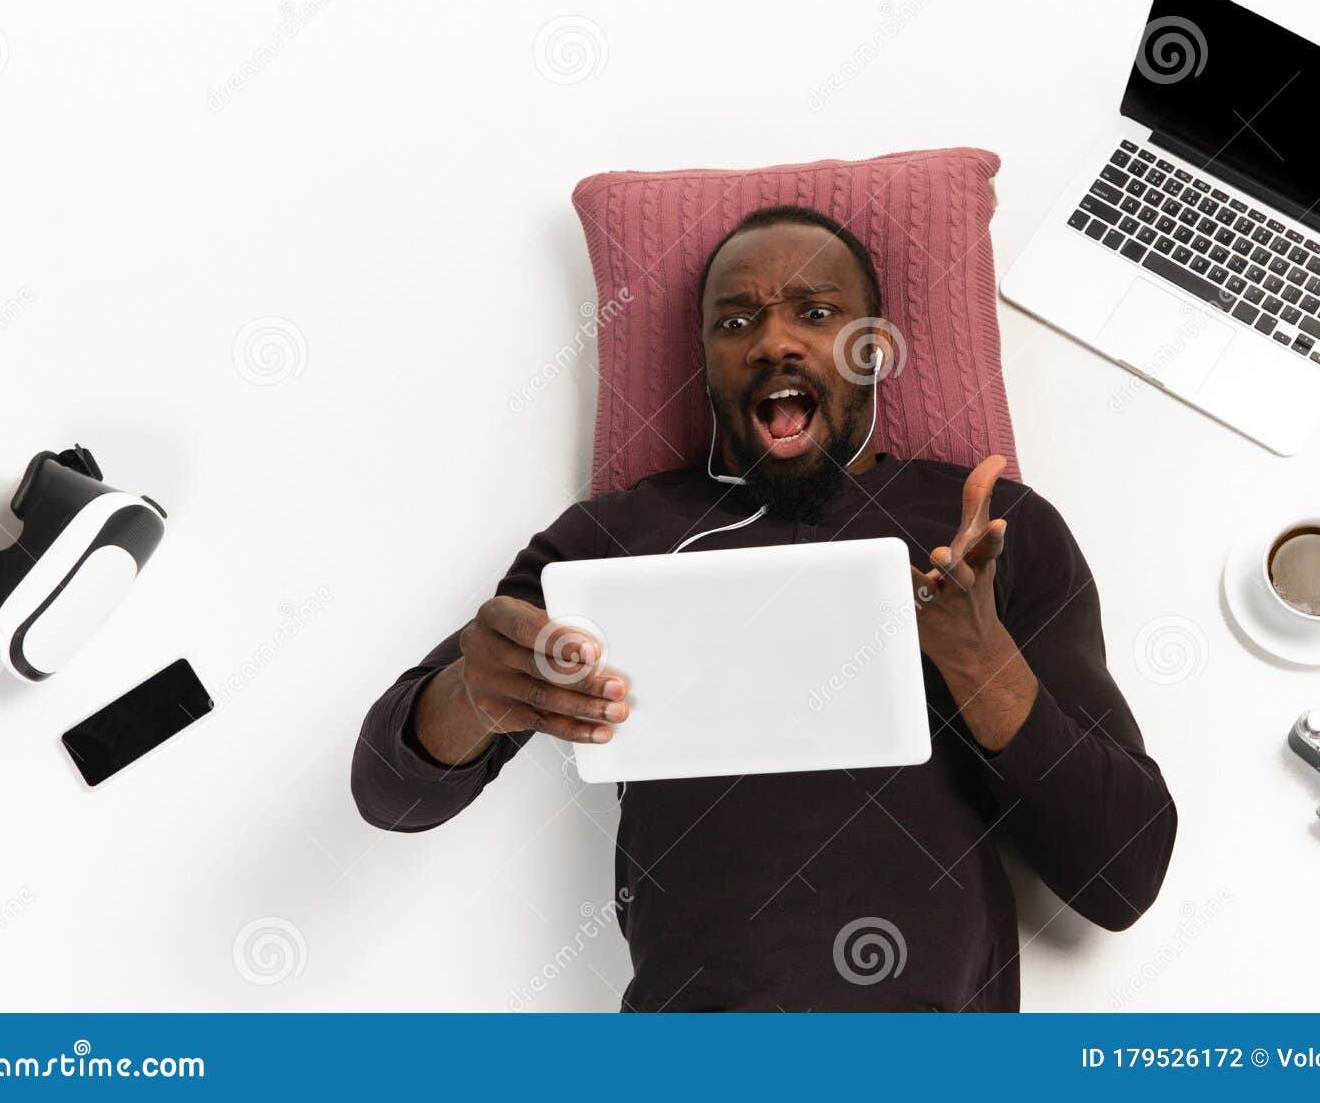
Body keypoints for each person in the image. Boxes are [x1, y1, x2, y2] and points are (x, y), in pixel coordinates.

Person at [352, 205, 1177, 1011]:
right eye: (735, 321)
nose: (773, 341)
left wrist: (976, 655)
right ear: (707, 362)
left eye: (815, 313)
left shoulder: (986, 530)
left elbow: (1123, 875)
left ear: (875, 350)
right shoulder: (612, 536)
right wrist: (475, 692)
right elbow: (391, 793)